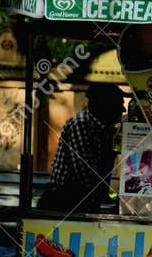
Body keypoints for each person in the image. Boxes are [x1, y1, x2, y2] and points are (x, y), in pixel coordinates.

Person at [39, 83, 123, 213]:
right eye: (118, 107)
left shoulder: (104, 129)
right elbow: (86, 172)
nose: (121, 112)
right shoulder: (82, 124)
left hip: (84, 200)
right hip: (65, 200)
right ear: (105, 107)